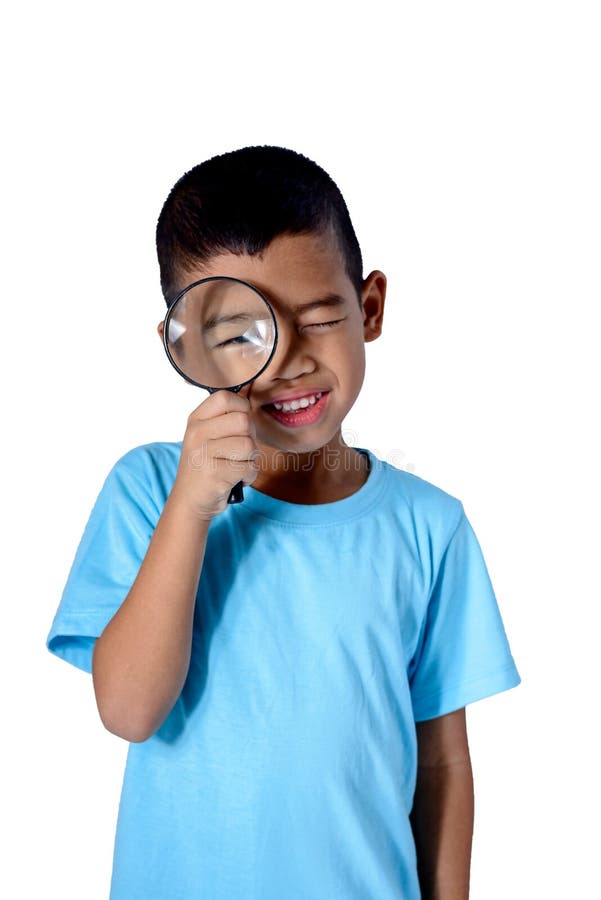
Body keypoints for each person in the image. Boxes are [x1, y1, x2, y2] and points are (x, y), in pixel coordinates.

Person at [46, 145, 521, 900]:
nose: (288, 360)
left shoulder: (431, 526)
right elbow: (130, 710)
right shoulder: (147, 489)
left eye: (321, 317)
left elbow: (440, 763)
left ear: (368, 309)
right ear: (188, 343)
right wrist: (191, 509)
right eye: (241, 334)